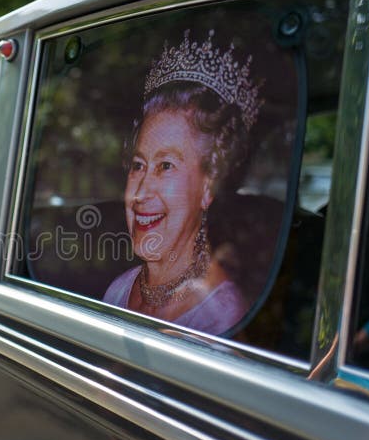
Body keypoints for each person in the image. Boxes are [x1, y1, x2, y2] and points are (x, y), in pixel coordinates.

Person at [103, 29, 260, 335]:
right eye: (138, 165)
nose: (140, 193)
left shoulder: (218, 320)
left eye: (165, 166)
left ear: (208, 188)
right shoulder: (119, 290)